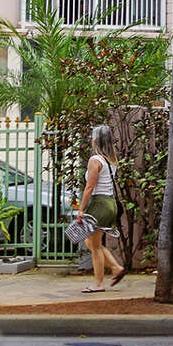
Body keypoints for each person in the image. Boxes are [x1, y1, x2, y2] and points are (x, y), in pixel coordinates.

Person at [76, 123, 125, 292]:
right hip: (110, 203)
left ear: (96, 140)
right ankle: (115, 267)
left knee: (94, 245)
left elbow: (90, 187)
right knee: (91, 241)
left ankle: (98, 283)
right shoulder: (111, 160)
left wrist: (81, 209)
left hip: (100, 203)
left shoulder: (95, 160)